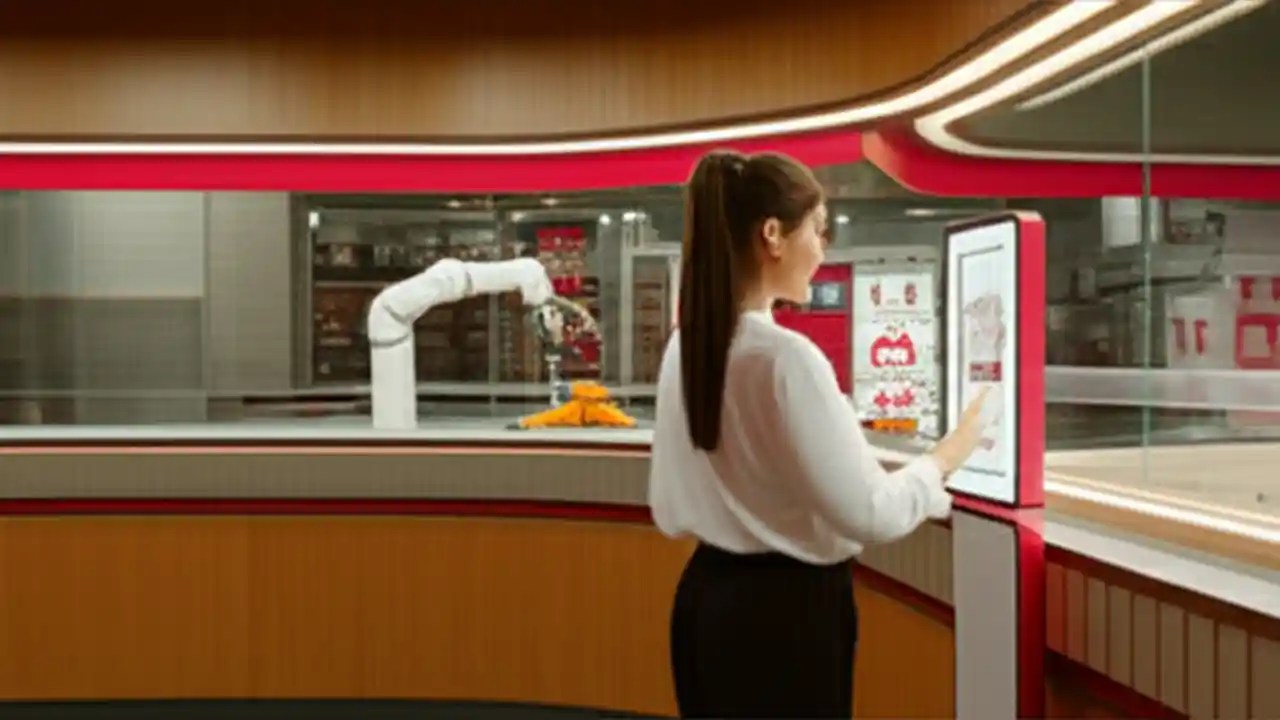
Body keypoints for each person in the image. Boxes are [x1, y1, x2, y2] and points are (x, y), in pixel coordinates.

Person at [648, 150, 990, 719]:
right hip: (785, 617)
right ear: (773, 234)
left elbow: (669, 499)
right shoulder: (785, 359)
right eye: (819, 229)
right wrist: (942, 460)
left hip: (707, 602)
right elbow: (870, 513)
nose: (822, 249)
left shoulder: (686, 347)